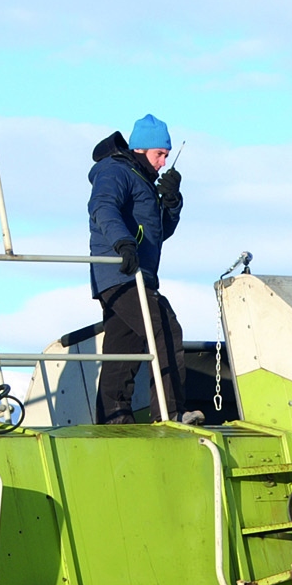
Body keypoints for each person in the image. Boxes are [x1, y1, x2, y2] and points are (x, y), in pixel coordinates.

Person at [87, 114, 199, 424]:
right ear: (141, 149)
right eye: (159, 154)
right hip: (120, 272)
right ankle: (170, 412)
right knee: (164, 326)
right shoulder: (116, 171)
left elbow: (158, 232)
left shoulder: (142, 180)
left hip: (136, 276)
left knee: (124, 347)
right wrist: (123, 244)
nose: (163, 162)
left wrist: (172, 201)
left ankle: (114, 418)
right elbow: (103, 207)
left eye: (166, 155)